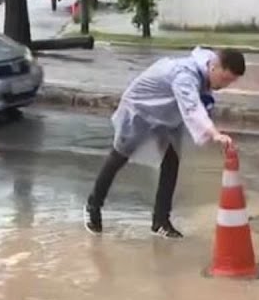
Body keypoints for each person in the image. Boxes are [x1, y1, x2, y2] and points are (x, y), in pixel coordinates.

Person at [85, 47, 246, 238]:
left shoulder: (208, 64)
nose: (225, 85)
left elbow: (202, 103)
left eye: (231, 81)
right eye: (225, 79)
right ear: (214, 67)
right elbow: (192, 107)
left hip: (167, 113)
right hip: (140, 108)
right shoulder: (185, 77)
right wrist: (214, 133)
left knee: (171, 161)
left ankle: (160, 221)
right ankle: (93, 206)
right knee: (119, 156)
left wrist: (213, 133)